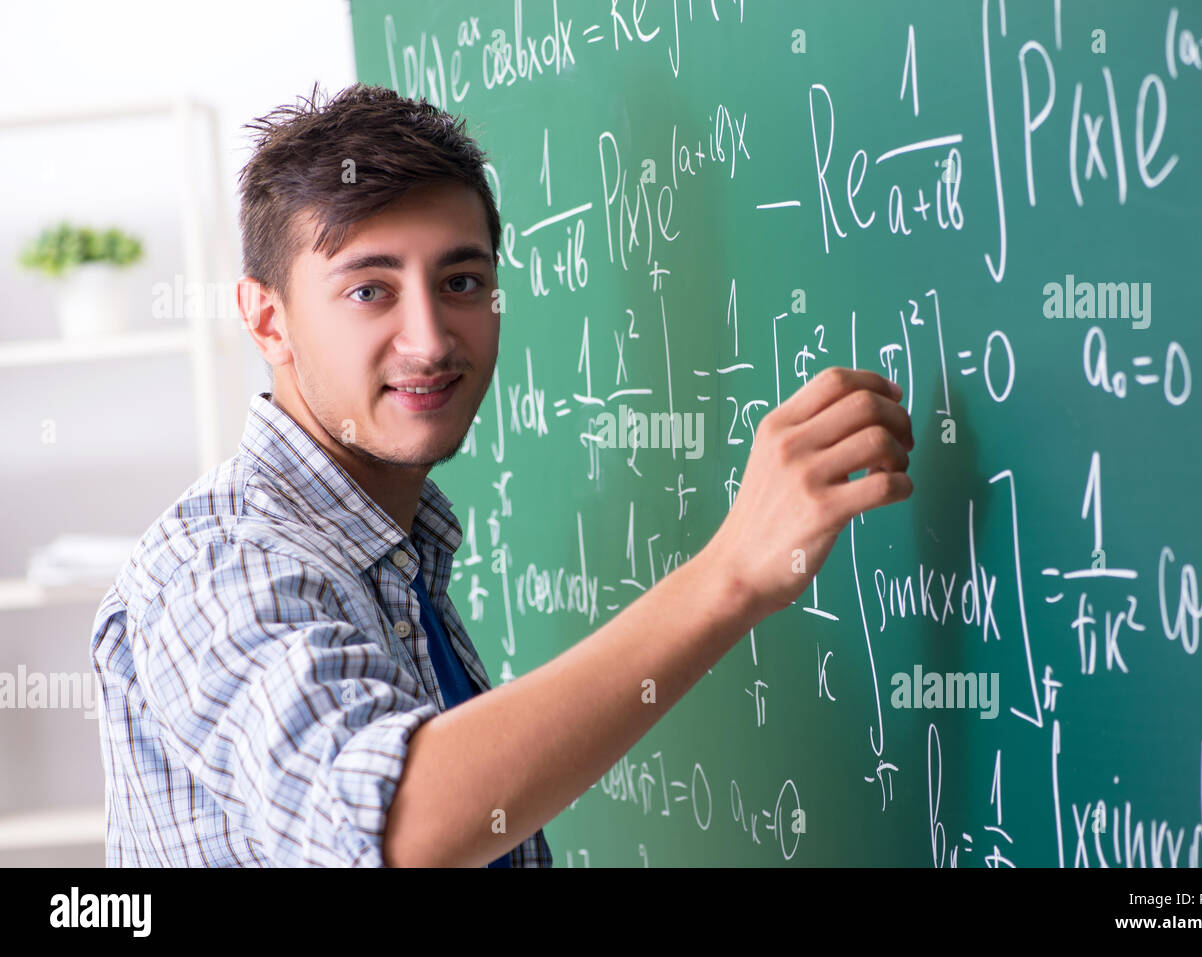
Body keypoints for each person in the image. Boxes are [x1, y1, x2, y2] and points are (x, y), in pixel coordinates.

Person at [90, 83, 914, 867]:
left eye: (461, 282)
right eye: (371, 289)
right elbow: (394, 827)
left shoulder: (394, 549)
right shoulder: (219, 564)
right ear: (268, 319)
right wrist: (732, 572)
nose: (430, 339)